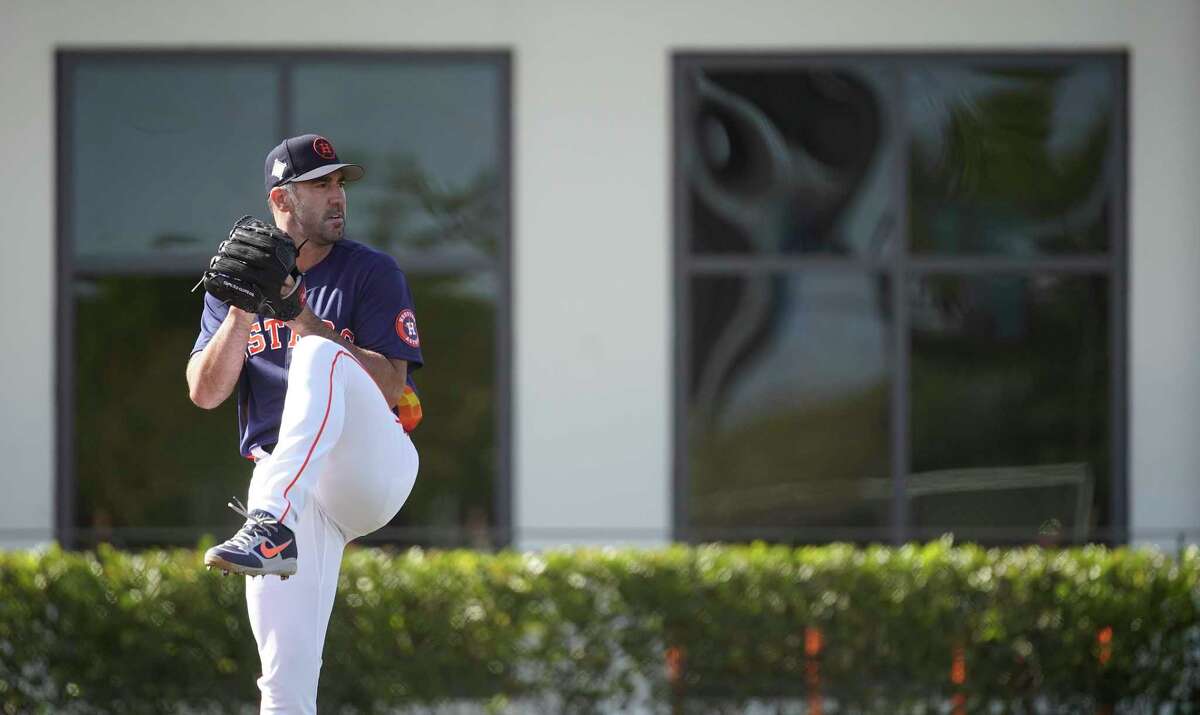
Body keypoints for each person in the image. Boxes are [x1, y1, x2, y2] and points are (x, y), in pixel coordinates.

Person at [186, 133, 424, 714]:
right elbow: (205, 392)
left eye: (340, 183)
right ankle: (273, 523)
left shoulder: (370, 270)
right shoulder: (237, 286)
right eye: (321, 185)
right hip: (294, 493)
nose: (337, 196)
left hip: (370, 467)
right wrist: (244, 307)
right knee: (283, 684)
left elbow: (392, 388)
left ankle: (269, 522)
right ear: (282, 199)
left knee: (315, 356)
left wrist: (298, 314)